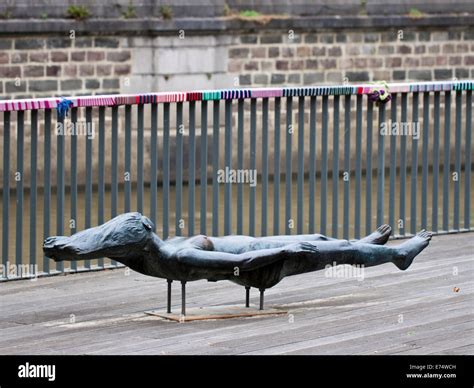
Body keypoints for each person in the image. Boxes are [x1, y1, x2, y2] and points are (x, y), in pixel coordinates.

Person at [43, 212, 432, 312]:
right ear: (144, 240)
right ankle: (398, 256)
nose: (152, 226)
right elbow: (243, 261)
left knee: (321, 240)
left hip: (255, 249)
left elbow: (102, 240)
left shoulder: (144, 257)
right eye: (147, 227)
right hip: (263, 264)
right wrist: (283, 254)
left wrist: (71, 246)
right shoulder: (180, 254)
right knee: (323, 249)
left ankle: (362, 248)